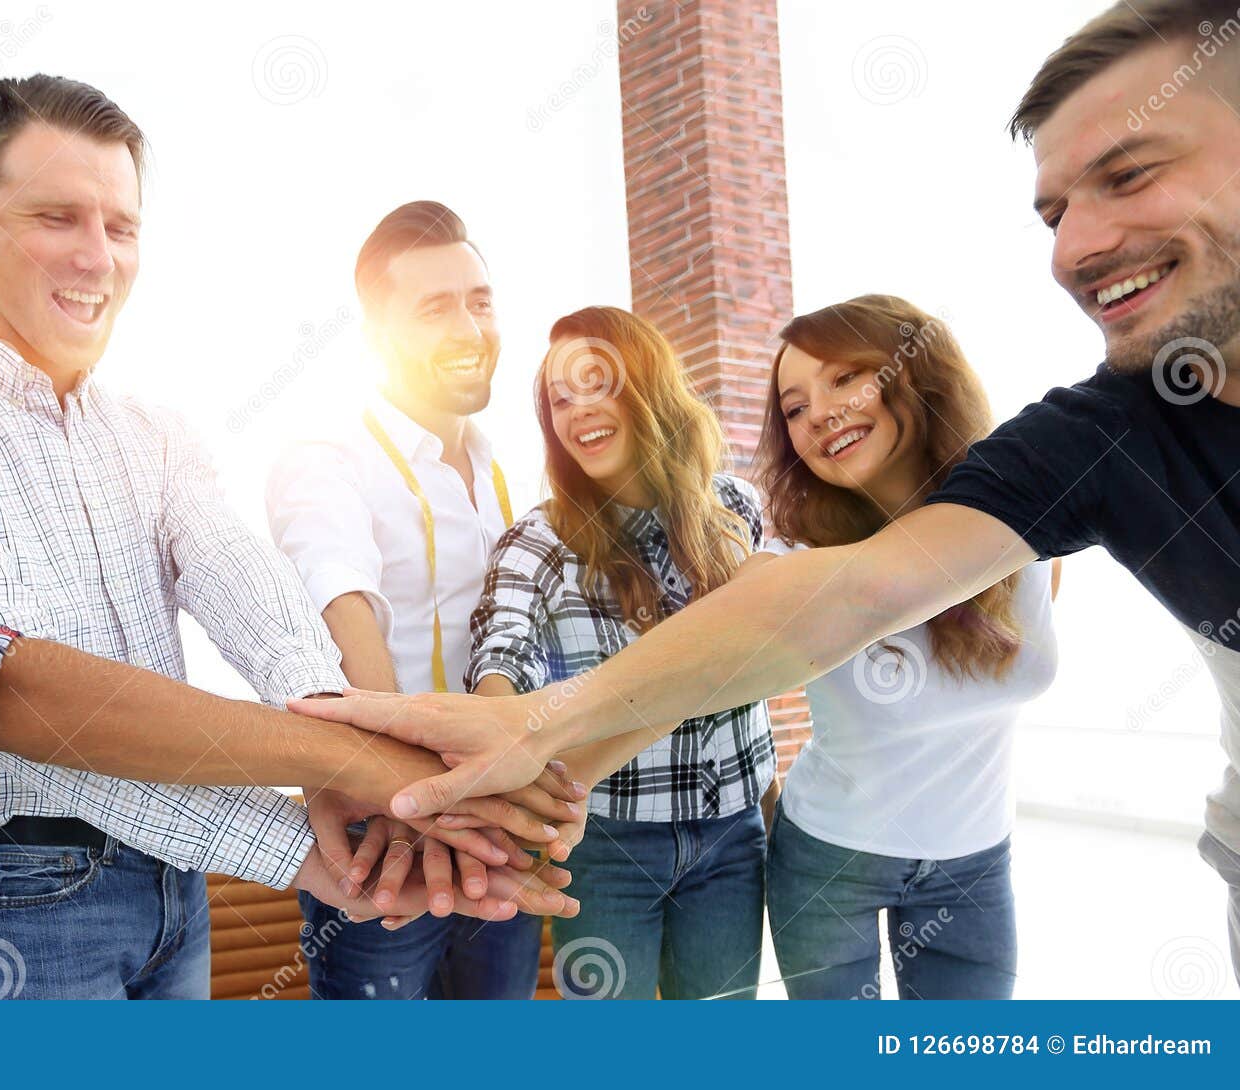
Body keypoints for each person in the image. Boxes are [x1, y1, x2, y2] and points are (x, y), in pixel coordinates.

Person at [290, 0, 1240, 987]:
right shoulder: (1089, 444)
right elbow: (789, 617)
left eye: (1130, 173)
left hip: (811, 841)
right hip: (686, 845)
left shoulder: (750, 513)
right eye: (1052, 211)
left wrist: (541, 739)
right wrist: (531, 732)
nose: (1071, 247)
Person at [0, 0, 572, 1000]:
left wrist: (355, 758)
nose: (96, 257)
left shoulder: (153, 433)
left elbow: (244, 582)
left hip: (171, 887)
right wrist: (321, 826)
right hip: (24, 891)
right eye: (56, 218)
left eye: (119, 225)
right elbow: (17, 701)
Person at [265, 202, 575, 999]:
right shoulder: (326, 454)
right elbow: (342, 604)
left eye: (480, 300)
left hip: (495, 823)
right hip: (383, 823)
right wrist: (404, 790)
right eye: (436, 307)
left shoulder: (508, 470)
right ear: (374, 335)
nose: (470, 327)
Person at [753, 295, 1060, 999]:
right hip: (830, 857)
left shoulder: (1030, 524)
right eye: (794, 407)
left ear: (915, 375)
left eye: (843, 379)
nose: (819, 414)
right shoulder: (792, 557)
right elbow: (712, 653)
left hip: (977, 859)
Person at [468, 306, 775, 999]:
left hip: (733, 835)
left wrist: (771, 803)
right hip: (605, 849)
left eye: (597, 383)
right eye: (559, 400)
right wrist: (498, 728)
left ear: (648, 387)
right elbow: (501, 656)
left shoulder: (736, 509)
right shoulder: (539, 543)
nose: (578, 412)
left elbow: (770, 657)